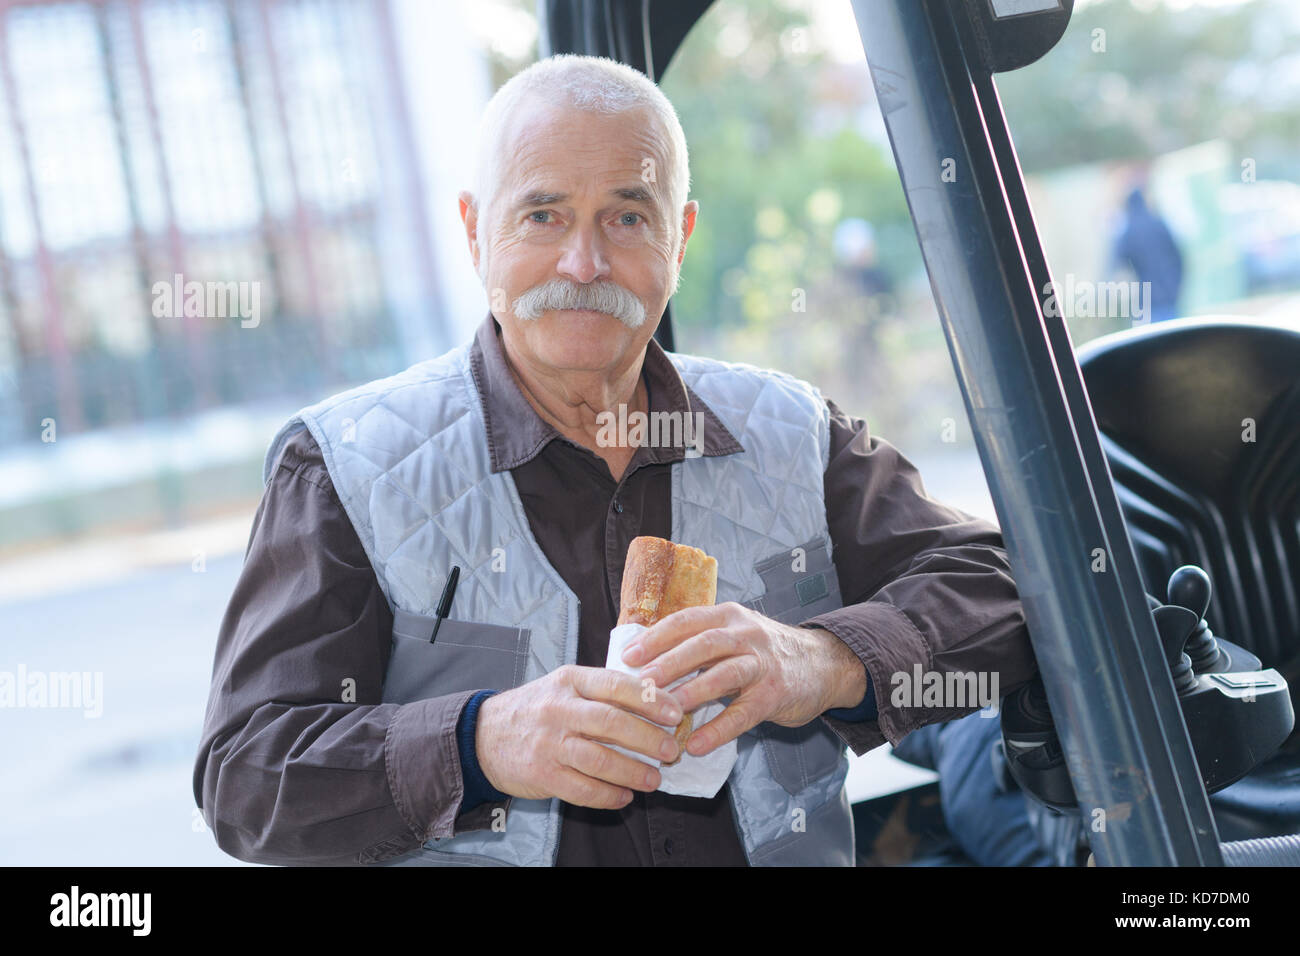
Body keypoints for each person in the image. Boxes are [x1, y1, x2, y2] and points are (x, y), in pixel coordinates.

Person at [193, 54, 1035, 866]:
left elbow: (1011, 585)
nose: (584, 264)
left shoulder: (793, 432)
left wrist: (823, 660)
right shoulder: (344, 468)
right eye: (543, 214)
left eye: (628, 217)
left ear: (681, 236)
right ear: (473, 230)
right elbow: (245, 778)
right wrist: (480, 742)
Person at [1111, 186, 1184, 324]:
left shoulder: (1128, 232)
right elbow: (1179, 257)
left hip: (1146, 301)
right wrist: (1176, 284)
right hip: (1170, 296)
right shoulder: (1159, 224)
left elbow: (1118, 266)